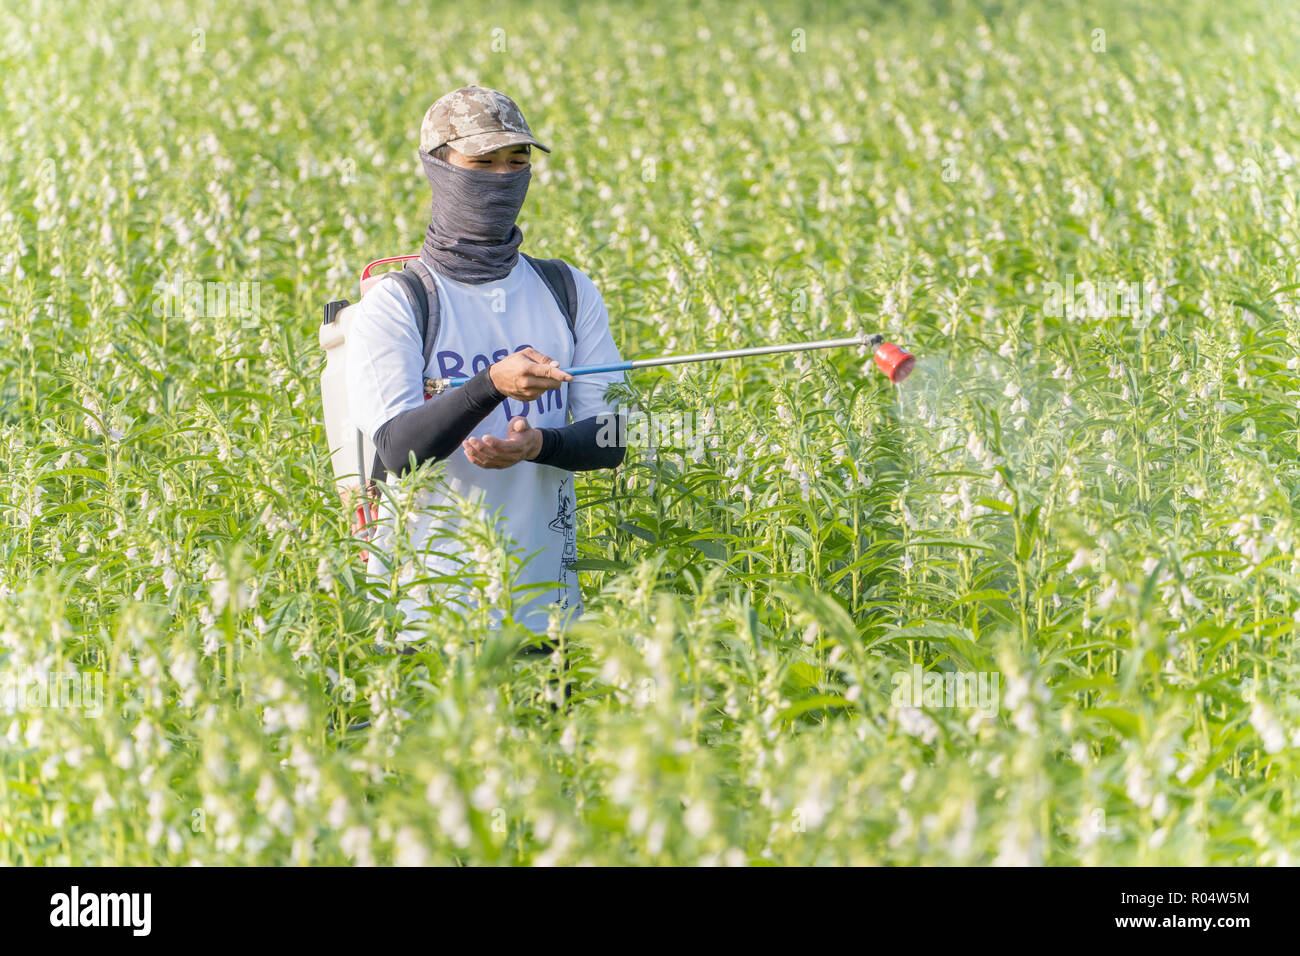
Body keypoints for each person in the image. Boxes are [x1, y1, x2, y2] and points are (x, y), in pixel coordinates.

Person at [346, 85, 626, 643]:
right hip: (425, 617)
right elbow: (398, 450)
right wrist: (490, 385)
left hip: (546, 613)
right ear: (439, 168)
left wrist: (539, 446)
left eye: (516, 162)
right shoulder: (399, 301)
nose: (502, 178)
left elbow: (613, 437)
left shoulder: (566, 289)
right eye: (482, 162)